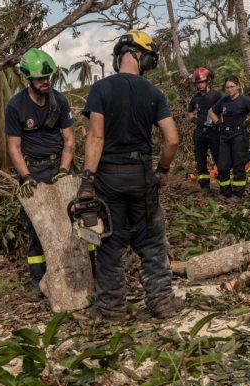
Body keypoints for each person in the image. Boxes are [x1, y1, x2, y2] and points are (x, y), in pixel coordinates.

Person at [80, 30, 183, 321]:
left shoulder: (101, 89)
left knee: (110, 245)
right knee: (151, 243)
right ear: (139, 55)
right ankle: (162, 302)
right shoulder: (154, 93)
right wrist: (161, 171)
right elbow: (172, 140)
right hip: (141, 176)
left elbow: (96, 138)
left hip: (108, 178)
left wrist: (87, 181)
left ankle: (112, 310)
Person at [5, 48, 75, 300]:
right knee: (36, 226)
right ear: (28, 78)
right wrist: (26, 177)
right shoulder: (16, 106)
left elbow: (69, 139)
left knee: (76, 220)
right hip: (34, 167)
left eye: (48, 77)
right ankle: (38, 279)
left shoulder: (59, 100)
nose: (45, 82)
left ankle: (86, 271)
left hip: (60, 166)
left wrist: (65, 170)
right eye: (40, 78)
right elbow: (14, 146)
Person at [208, 75, 250, 198]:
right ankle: (225, 192)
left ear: (238, 86)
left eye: (232, 87)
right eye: (227, 87)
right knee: (223, 166)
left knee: (238, 165)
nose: (229, 89)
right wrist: (217, 122)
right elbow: (211, 111)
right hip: (225, 136)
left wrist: (249, 121)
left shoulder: (245, 100)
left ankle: (238, 193)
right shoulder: (223, 101)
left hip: (239, 135)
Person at [187, 67, 222, 195]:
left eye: (202, 82)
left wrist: (220, 123)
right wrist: (193, 120)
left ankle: (224, 186)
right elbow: (190, 111)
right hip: (200, 132)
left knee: (219, 158)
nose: (200, 85)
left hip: (214, 131)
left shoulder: (216, 95)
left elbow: (224, 108)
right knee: (200, 159)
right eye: (198, 83)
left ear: (207, 81)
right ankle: (205, 187)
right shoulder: (195, 98)